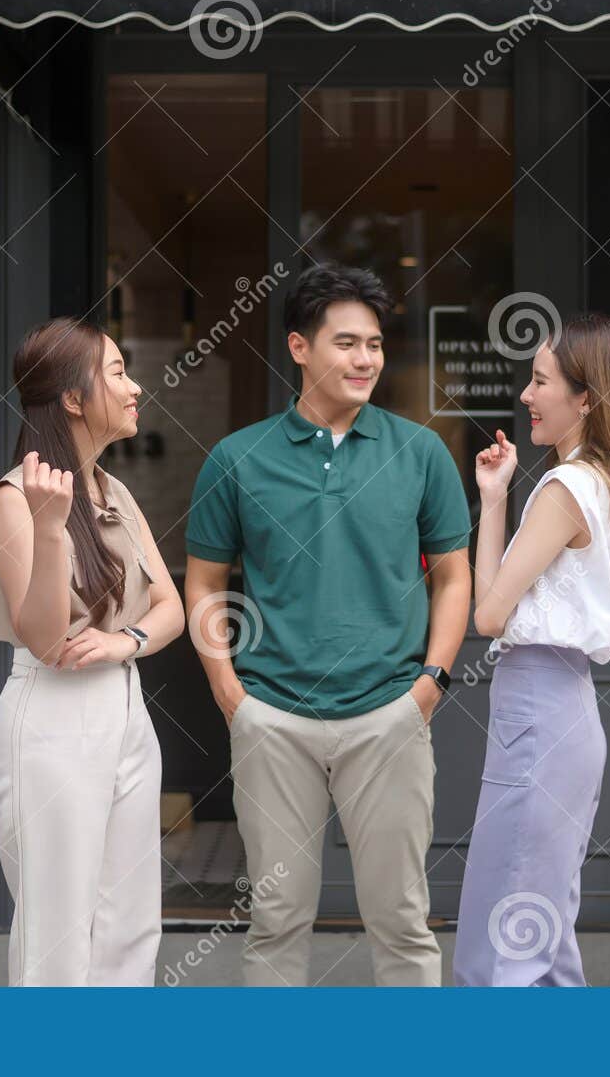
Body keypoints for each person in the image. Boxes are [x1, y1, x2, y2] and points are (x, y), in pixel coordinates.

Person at [184, 263, 473, 986]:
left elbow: (454, 575)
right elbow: (205, 583)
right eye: (347, 342)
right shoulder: (237, 459)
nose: (366, 358)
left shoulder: (421, 453)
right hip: (272, 718)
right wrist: (229, 691)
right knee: (276, 916)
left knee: (402, 919)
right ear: (299, 347)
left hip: (390, 714)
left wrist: (430, 681)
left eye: (374, 343)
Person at [454, 313, 610, 986]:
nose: (526, 395)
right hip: (562, 710)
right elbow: (498, 609)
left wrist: (499, 505)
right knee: (541, 930)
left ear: (587, 397)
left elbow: (487, 613)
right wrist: (494, 499)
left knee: (511, 931)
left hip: (540, 712)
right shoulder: (601, 483)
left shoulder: (567, 488)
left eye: (540, 381)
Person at [0, 317, 184, 985]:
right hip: (53, 720)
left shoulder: (114, 490)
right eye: (119, 371)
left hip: (124, 710)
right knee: (58, 939)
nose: (137, 386)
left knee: (130, 928)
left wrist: (124, 640)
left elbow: (173, 610)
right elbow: (43, 637)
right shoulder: (16, 497)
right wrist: (47, 531)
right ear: (72, 397)